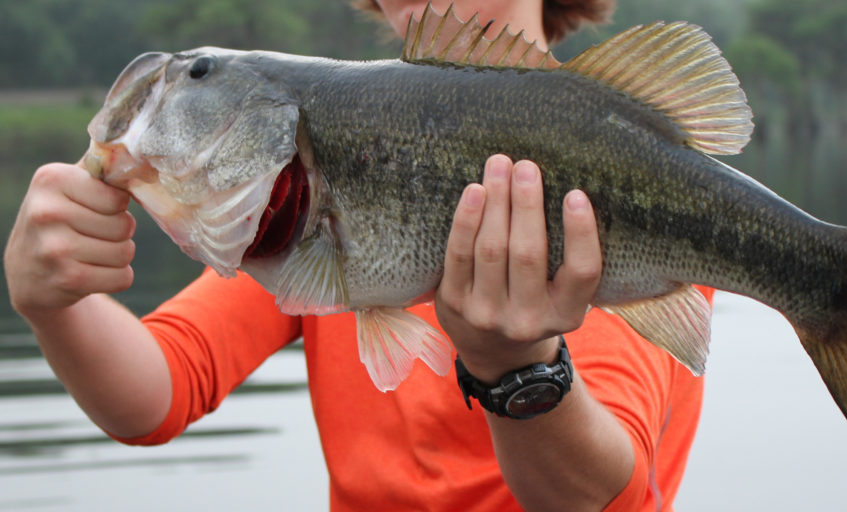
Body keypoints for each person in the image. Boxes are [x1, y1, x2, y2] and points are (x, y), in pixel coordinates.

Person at [3, 1, 712, 510]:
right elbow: (156, 392)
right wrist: (53, 304)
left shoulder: (608, 166)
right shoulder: (305, 214)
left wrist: (517, 372)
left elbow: (606, 501)